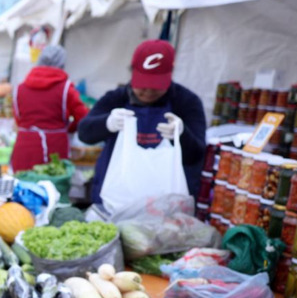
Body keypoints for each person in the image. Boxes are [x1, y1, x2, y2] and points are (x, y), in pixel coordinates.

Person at [78, 39, 206, 206]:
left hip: (163, 200)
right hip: (117, 196)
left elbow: (196, 154)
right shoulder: (116, 98)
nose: (148, 92)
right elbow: (84, 133)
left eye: (155, 87)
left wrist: (181, 135)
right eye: (143, 86)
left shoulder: (187, 102)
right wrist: (107, 123)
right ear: (132, 73)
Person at [10, 45, 89, 172]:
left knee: (24, 188)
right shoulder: (65, 89)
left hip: (24, 149)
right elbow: (83, 118)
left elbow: (19, 119)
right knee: (53, 187)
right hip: (55, 150)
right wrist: (68, 128)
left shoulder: (19, 88)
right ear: (62, 64)